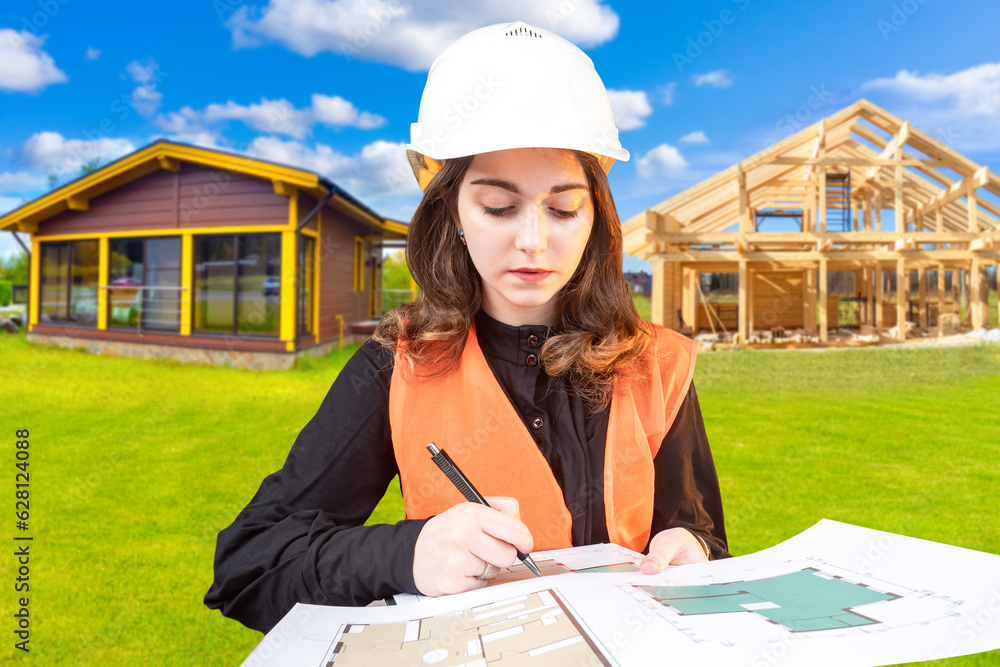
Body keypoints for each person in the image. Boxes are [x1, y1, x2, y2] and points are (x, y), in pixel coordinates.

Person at [204, 20, 728, 635]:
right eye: (498, 207)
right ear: (450, 211)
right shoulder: (395, 368)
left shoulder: (657, 365)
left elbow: (701, 537)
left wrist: (696, 553)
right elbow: (248, 566)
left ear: (596, 214)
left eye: (562, 208)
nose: (532, 240)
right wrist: (407, 554)